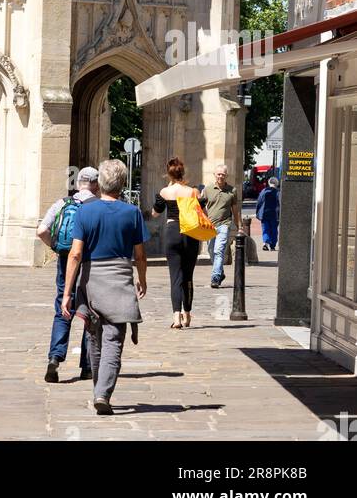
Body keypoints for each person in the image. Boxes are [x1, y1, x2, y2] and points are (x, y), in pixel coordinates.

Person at [61, 159, 148, 415]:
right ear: (122, 184)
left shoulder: (85, 212)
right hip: (120, 279)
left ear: (100, 184)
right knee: (113, 340)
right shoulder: (131, 213)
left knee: (94, 336)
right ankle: (102, 393)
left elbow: (75, 255)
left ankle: (99, 390)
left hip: (92, 281)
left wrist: (67, 293)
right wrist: (142, 278)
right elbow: (140, 255)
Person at [37, 166, 99, 383]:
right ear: (96, 184)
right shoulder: (98, 206)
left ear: (78, 182)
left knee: (63, 307)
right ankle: (88, 366)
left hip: (65, 259)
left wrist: (55, 246)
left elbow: (42, 230)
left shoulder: (63, 203)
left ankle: (55, 356)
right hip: (89, 262)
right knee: (89, 311)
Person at [152, 157, 201, 328]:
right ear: (183, 172)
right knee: (188, 277)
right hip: (190, 233)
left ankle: (176, 317)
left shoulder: (165, 192)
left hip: (172, 232)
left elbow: (155, 213)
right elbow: (201, 208)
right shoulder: (193, 192)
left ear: (169, 174)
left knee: (175, 277)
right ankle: (187, 314)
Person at [200, 163, 241, 288]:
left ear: (226, 175)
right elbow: (200, 206)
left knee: (219, 250)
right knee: (211, 250)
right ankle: (220, 272)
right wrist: (204, 220)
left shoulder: (232, 191)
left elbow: (235, 210)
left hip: (224, 224)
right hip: (210, 225)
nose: (220, 176)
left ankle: (215, 277)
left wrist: (239, 226)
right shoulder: (207, 189)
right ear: (214, 175)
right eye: (218, 174)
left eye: (223, 174)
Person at [256, 176, 280, 250]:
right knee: (274, 229)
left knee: (265, 229)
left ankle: (266, 242)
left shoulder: (263, 191)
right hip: (275, 214)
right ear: (277, 184)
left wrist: (258, 213)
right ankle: (272, 245)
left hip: (264, 214)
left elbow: (259, 202)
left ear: (269, 183)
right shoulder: (278, 192)